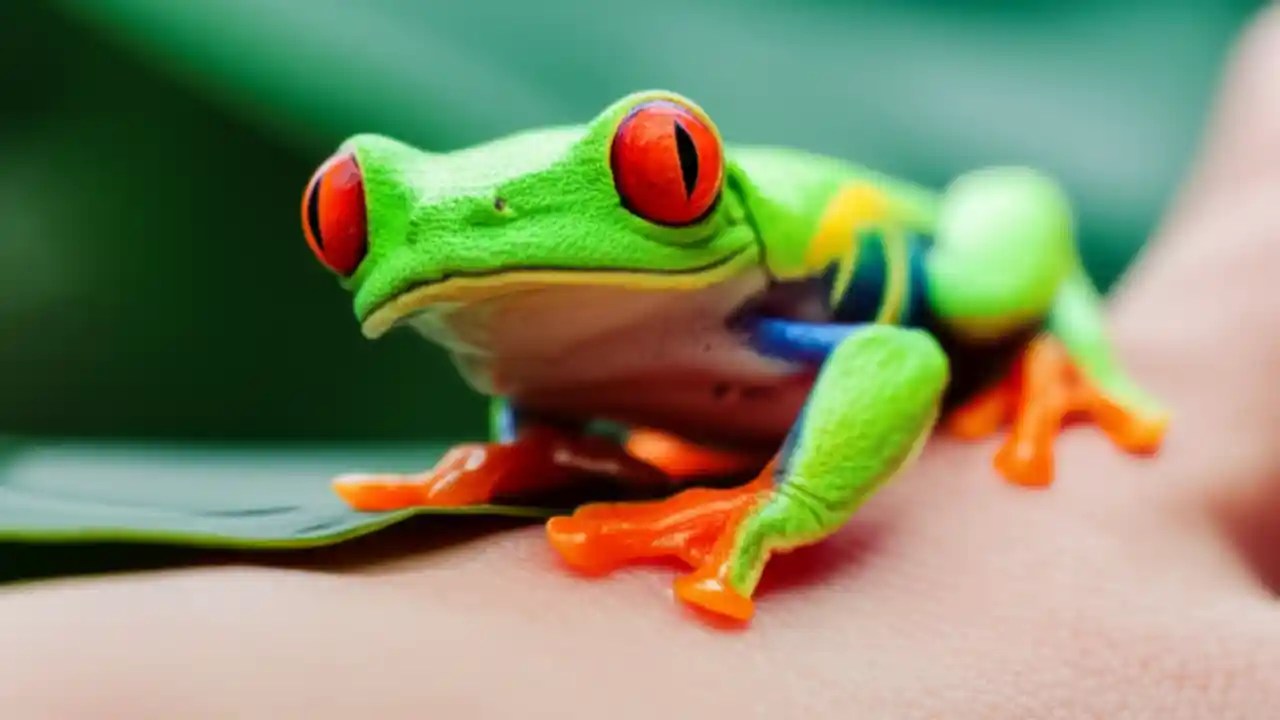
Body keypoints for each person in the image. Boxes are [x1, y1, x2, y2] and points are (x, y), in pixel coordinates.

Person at [4, 9, 1280, 717]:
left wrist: (784, 506)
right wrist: (526, 441)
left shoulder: (754, 301)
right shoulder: (509, 322)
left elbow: (889, 360)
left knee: (987, 272)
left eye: (652, 168)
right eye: (348, 212)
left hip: (866, 259)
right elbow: (537, 347)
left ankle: (1059, 332)